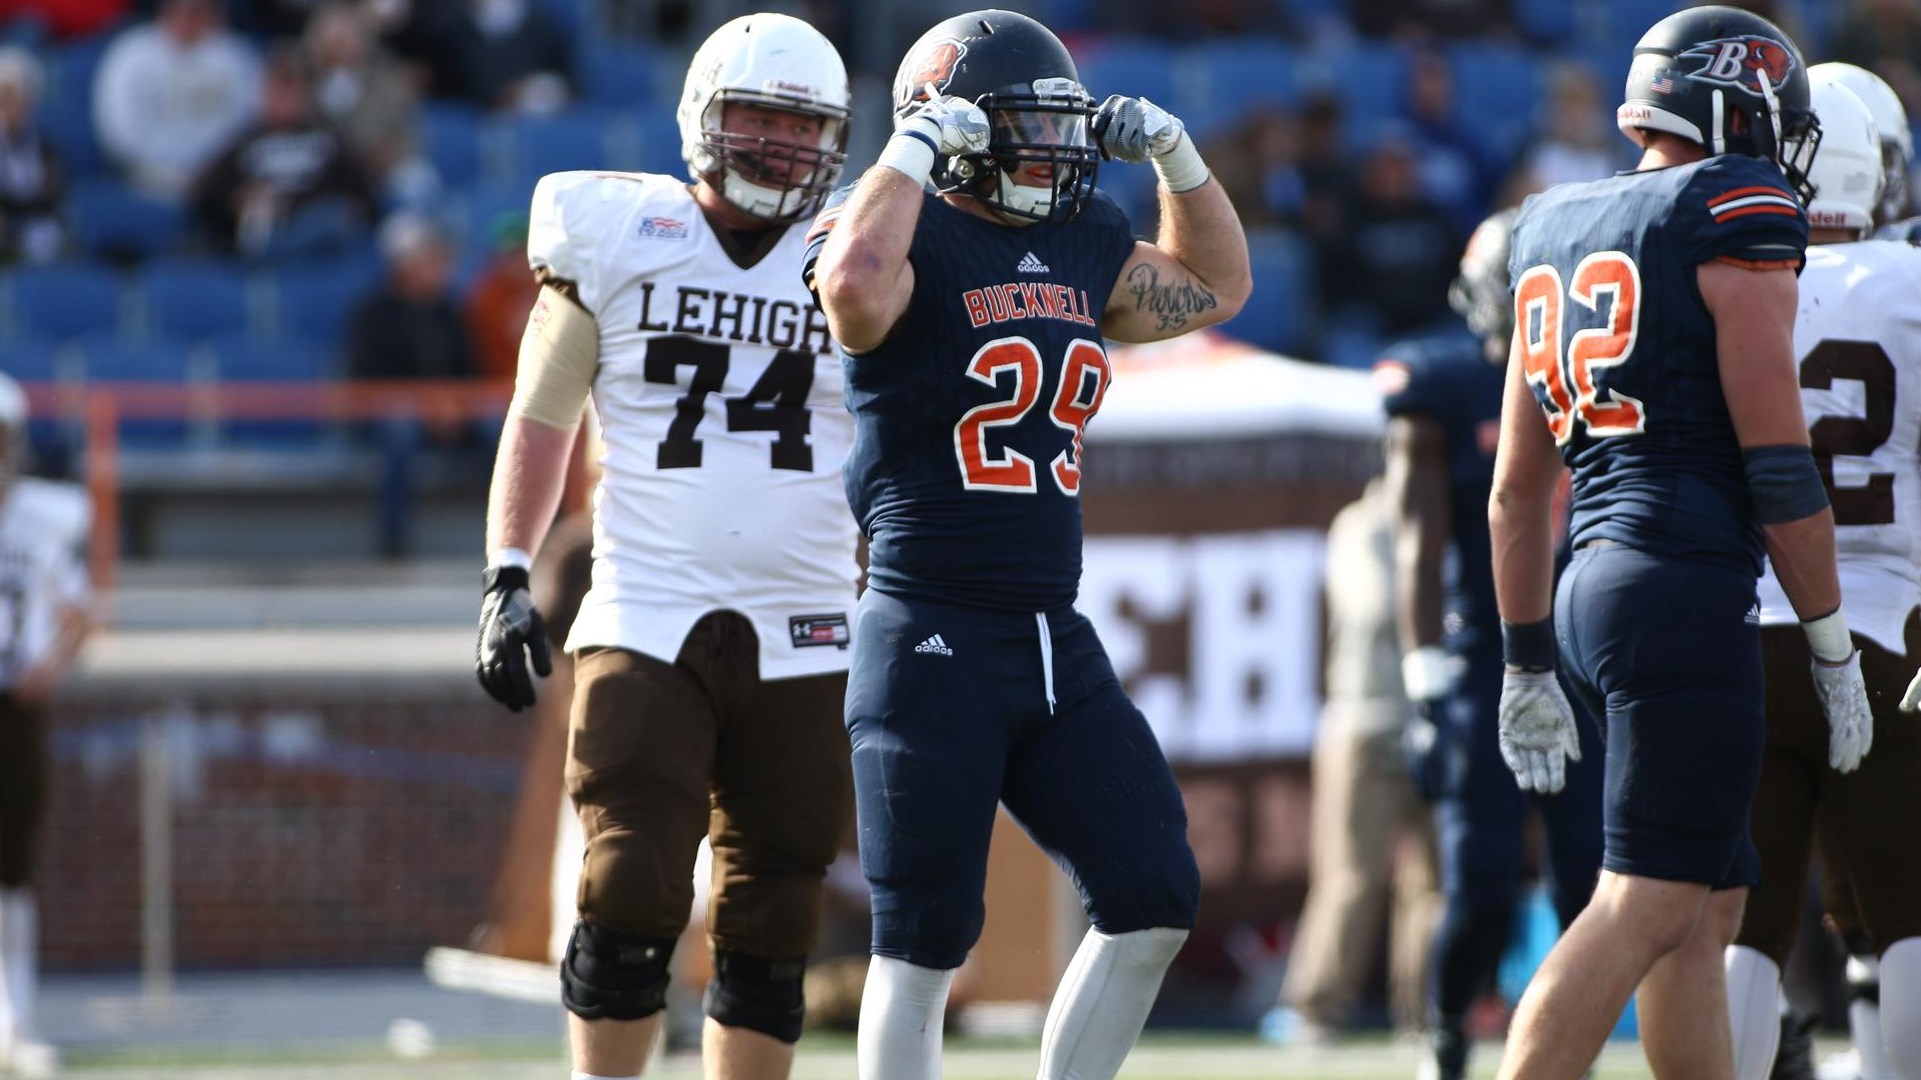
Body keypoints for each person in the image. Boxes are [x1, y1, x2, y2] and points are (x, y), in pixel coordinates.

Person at [806, 10, 1251, 1079]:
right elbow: (856, 291)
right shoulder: (887, 229)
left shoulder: (1088, 236)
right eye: (1022, 127)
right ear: (951, 130)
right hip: (928, 628)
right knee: (922, 943)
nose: (1050, 152)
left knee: (1152, 897)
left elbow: (1216, 285)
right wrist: (906, 148)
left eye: (1060, 128)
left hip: (1052, 632)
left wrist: (1180, 161)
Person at [1487, 8, 1882, 1079]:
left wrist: (1525, 655)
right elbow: (1777, 462)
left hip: (1590, 582)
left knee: (1706, 907)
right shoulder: (1732, 205)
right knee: (1649, 899)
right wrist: (1832, 643)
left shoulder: (1547, 223)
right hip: (1679, 580)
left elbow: (1518, 493)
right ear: (1729, 107)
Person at [472, 14, 857, 1080]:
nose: (780, 145)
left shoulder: (862, 256)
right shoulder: (620, 233)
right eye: (758, 118)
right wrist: (508, 569)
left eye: (802, 126)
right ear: (702, 114)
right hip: (649, 605)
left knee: (777, 904)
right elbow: (540, 416)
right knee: (629, 882)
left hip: (811, 618)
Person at [1722, 76, 1921, 1080]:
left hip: (1737, 631)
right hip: (1890, 632)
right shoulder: (1912, 286)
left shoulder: (1722, 274)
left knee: (1739, 929)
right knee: (1909, 914)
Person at [1386, 208, 1603, 1080]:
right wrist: (1424, 680)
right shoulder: (1441, 379)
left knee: (1588, 883)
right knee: (1476, 882)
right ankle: (1445, 1040)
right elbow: (1416, 535)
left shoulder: (1597, 364)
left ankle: (1558, 1047)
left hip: (1583, 652)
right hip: (1484, 653)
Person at [1274, 478, 1441, 1046]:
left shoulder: (1449, 518)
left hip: (1436, 723)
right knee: (1349, 876)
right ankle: (1316, 1010)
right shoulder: (1362, 524)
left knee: (1433, 884)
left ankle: (1427, 1014)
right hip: (1365, 722)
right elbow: (1375, 605)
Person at [0, 373, 92, 1080]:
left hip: (15, 709)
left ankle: (15, 1019)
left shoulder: (42, 517)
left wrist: (50, 668)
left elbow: (81, 613)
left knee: (13, 872)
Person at [188, 47, 381, 261]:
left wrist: (299, 203)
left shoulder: (326, 139)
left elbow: (363, 193)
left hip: (316, 228)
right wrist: (238, 199)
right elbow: (204, 190)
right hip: (265, 230)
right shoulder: (247, 140)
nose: (285, 98)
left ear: (306, 94)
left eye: (293, 90)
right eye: (279, 89)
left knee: (334, 217)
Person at [91, 0, 262, 201]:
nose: (187, 19)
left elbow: (248, 122)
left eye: (197, 11)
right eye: (180, 10)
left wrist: (215, 171)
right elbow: (120, 133)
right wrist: (171, 172)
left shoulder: (236, 55)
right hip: (147, 179)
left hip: (223, 178)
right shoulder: (131, 53)